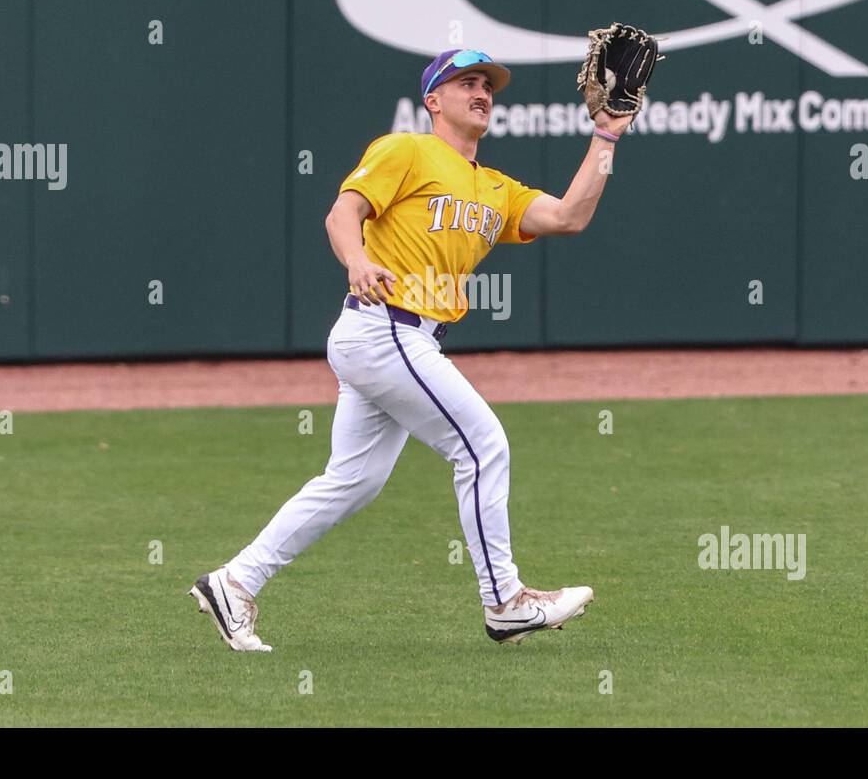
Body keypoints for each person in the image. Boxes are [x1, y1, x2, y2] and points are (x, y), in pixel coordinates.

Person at [190, 47, 634, 650]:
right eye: (466, 83)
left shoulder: (493, 187)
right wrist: (358, 258)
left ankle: (234, 582)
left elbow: (568, 216)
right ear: (433, 100)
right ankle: (504, 600)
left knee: (352, 481)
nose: (482, 92)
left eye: (488, 85)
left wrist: (606, 133)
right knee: (482, 446)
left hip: (397, 338)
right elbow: (341, 212)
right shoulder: (406, 149)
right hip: (386, 327)